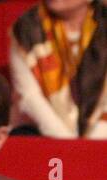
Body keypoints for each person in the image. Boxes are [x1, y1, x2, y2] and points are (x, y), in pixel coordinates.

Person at [9, 0, 107, 138]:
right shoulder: (26, 28)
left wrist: (93, 147)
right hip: (45, 135)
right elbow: (29, 98)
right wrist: (68, 144)